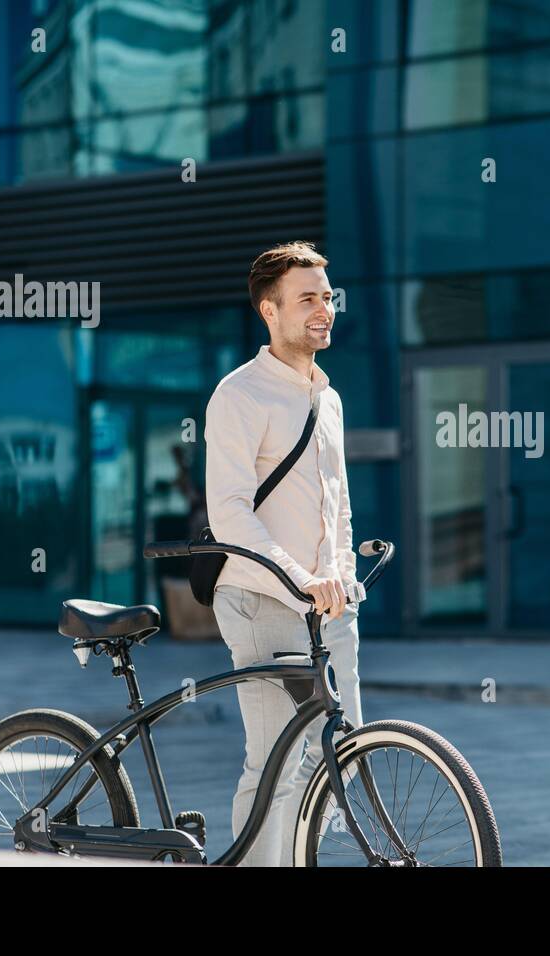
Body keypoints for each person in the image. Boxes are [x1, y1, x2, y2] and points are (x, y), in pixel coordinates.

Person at [203, 240, 360, 866]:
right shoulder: (239, 395)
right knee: (277, 761)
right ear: (270, 310)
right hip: (262, 596)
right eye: (307, 299)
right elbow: (229, 512)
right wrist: (298, 579)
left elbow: (338, 505)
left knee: (336, 756)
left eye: (327, 296)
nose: (324, 309)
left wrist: (342, 576)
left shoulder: (329, 398)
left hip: (329, 606)